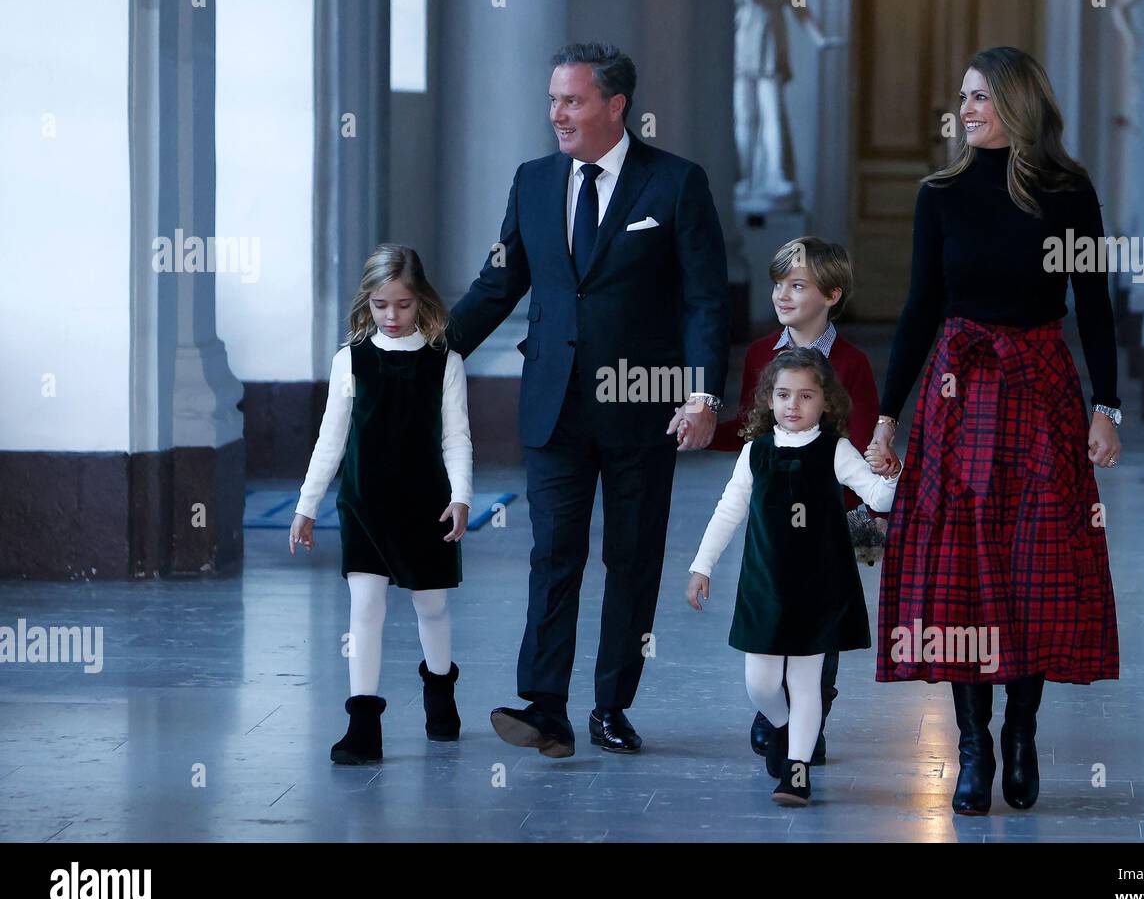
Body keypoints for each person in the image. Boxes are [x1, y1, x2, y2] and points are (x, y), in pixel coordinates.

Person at [447, 42, 729, 758]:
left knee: (632, 560)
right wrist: (430, 352)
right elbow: (497, 284)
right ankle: (545, 705)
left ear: (615, 106)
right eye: (552, 100)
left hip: (645, 405)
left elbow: (703, 299)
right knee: (554, 554)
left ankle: (611, 704)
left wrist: (703, 394)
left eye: (571, 100)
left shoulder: (676, 184)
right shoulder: (533, 181)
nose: (557, 114)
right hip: (554, 404)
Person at [865, 46, 1122, 815]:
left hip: (1041, 389)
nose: (966, 109)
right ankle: (971, 743)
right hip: (958, 393)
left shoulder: (1069, 192)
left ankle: (1021, 733)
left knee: (1034, 561)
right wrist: (887, 413)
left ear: (1018, 105)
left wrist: (1105, 408)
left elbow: (1095, 304)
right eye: (965, 97)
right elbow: (917, 309)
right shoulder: (939, 193)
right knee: (964, 570)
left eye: (981, 97)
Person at [687, 348, 899, 806]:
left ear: (826, 402)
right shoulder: (755, 452)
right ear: (768, 399)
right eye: (784, 394)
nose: (793, 405)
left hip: (818, 586)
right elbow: (728, 510)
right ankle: (784, 730)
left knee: (806, 683)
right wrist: (701, 566)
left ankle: (797, 771)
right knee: (760, 683)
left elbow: (878, 496)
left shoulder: (834, 450)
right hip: (765, 586)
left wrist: (891, 470)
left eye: (806, 395)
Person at [290, 244, 471, 764]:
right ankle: (363, 723)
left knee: (431, 605)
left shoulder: (445, 362)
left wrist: (461, 497)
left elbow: (456, 438)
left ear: (423, 302)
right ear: (366, 304)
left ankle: (440, 691)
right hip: (364, 505)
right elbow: (331, 439)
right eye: (380, 305)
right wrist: (307, 506)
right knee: (365, 607)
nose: (391, 316)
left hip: (427, 505)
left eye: (403, 305)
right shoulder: (350, 360)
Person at [708, 235, 884, 764]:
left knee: (819, 623)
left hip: (832, 516)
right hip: (772, 520)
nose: (782, 294)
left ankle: (814, 715)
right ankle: (775, 711)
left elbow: (862, 443)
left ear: (831, 294)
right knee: (774, 606)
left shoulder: (850, 363)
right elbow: (752, 429)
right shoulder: (763, 354)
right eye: (778, 283)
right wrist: (704, 434)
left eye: (797, 284)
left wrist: (869, 520)